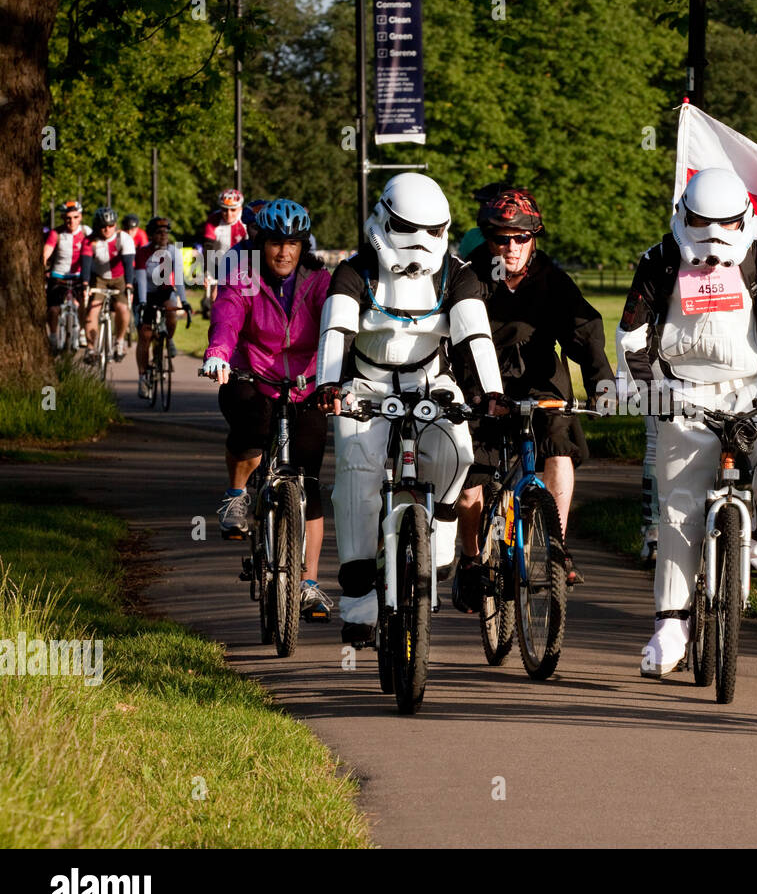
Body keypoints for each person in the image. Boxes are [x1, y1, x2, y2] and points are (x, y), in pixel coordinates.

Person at [617, 167, 757, 677]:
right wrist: (649, 392)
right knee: (680, 511)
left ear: (743, 221)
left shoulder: (755, 257)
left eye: (725, 225)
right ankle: (670, 624)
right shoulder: (660, 260)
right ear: (684, 216)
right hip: (683, 395)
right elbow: (631, 340)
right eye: (703, 224)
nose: (712, 241)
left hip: (750, 391)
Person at [316, 172, 504, 644]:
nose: (420, 245)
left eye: (432, 232)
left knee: (458, 452)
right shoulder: (354, 272)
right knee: (357, 473)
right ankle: (358, 596)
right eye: (408, 230)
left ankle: (437, 532)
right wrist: (329, 385)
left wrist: (489, 394)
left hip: (430, 381)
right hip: (365, 384)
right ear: (383, 221)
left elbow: (473, 337)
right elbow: (335, 332)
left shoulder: (457, 274)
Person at [451, 187, 613, 611]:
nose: (511, 247)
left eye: (520, 237)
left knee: (558, 448)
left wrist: (602, 382)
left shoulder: (551, 280)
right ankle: (470, 561)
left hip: (540, 383)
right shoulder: (470, 278)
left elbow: (584, 330)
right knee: (471, 489)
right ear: (487, 239)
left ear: (534, 237)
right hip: (479, 390)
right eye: (501, 238)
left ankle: (556, 546)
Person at [202, 199, 334, 618]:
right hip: (250, 373)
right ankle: (237, 495)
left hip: (305, 383)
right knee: (250, 427)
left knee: (309, 481)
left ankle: (309, 584)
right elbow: (227, 313)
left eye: (293, 243)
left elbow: (335, 324)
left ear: (303, 245)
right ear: (261, 243)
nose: (284, 252)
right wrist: (219, 352)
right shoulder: (242, 273)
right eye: (276, 243)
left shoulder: (318, 279)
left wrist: (340, 376)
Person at [133, 216, 190, 397]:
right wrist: (142, 303)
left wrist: (185, 300)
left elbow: (179, 278)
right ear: (151, 235)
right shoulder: (143, 252)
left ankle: (169, 339)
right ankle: (142, 377)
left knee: (172, 313)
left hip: (165, 291)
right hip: (146, 294)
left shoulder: (173, 251)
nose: (163, 235)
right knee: (145, 334)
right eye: (159, 232)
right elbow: (141, 280)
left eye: (166, 232)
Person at [85, 206, 136, 363]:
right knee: (93, 309)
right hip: (99, 277)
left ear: (115, 225)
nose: (107, 229)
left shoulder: (124, 239)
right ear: (97, 226)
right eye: (103, 226)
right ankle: (91, 348)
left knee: (122, 308)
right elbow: (85, 264)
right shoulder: (90, 241)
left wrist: (129, 285)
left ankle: (119, 341)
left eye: (111, 225)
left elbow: (128, 265)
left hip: (119, 278)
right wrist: (85, 284)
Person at [42, 199, 92, 351]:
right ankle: (53, 335)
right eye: (68, 218)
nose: (72, 221)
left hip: (79, 276)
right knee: (53, 309)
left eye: (75, 217)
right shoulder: (55, 233)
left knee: (84, 303)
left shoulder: (86, 232)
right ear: (63, 218)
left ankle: (82, 330)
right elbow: (46, 252)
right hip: (59, 275)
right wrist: (43, 266)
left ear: (81, 217)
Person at [200, 189, 248, 317]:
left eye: (233, 210)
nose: (228, 214)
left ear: (240, 207)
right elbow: (208, 248)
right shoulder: (214, 220)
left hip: (241, 264)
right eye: (224, 209)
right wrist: (207, 272)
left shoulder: (247, 221)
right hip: (218, 263)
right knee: (214, 300)